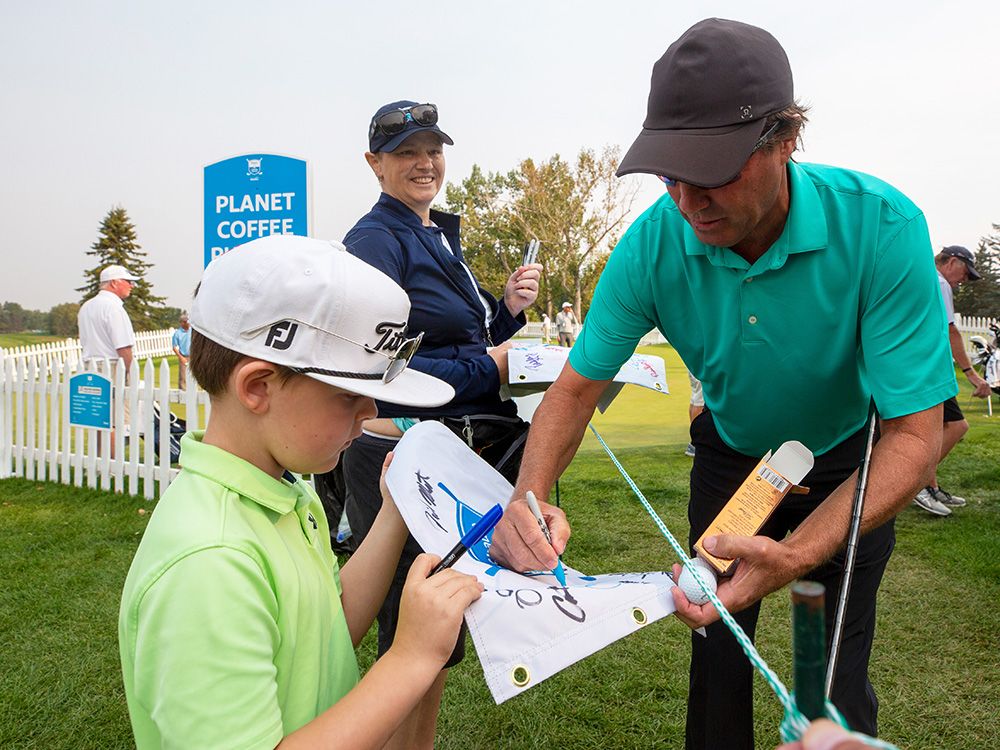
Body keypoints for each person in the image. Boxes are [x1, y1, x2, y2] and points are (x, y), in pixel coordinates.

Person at [489, 18, 954, 750]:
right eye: (672, 175)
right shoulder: (652, 244)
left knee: (826, 677)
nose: (689, 200)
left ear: (786, 140)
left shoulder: (882, 227)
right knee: (717, 653)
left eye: (715, 171)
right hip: (731, 457)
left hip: (843, 464)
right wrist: (532, 495)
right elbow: (575, 389)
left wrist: (801, 554)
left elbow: (917, 435)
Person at [118, 234, 482, 749]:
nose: (370, 415)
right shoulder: (209, 562)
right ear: (258, 387)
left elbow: (323, 629)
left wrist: (392, 513)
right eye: (349, 396)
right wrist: (410, 658)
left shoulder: (284, 490)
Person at [335, 99, 541, 749]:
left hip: (445, 445)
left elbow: (465, 334)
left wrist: (505, 312)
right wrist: (492, 366)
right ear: (375, 164)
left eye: (433, 149)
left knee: (435, 628)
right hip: (399, 452)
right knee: (410, 631)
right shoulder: (375, 240)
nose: (425, 163)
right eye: (406, 152)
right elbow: (381, 365)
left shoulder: (434, 233)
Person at [911, 245, 990, 516]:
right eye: (966, 273)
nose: (964, 280)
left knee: (937, 428)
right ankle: (915, 484)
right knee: (957, 425)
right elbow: (951, 330)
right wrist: (972, 375)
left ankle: (929, 486)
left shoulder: (924, 277)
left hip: (918, 365)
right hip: (928, 367)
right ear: (952, 261)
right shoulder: (940, 282)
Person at [78, 264, 138, 373]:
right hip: (110, 367)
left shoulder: (86, 306)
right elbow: (123, 347)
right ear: (114, 283)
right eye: (128, 281)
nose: (132, 286)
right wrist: (131, 372)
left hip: (88, 366)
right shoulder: (114, 308)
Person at [685, 370, 704, 457]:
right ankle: (697, 443)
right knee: (700, 401)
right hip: (701, 365)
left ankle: (695, 441)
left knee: (695, 399)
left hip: (696, 365)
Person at [171, 312, 191, 390]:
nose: (188, 323)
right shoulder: (177, 333)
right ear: (181, 323)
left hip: (193, 355)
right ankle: (182, 392)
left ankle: (192, 390)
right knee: (183, 376)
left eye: (188, 321)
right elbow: (174, 347)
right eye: (185, 322)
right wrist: (181, 357)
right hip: (183, 356)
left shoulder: (192, 331)